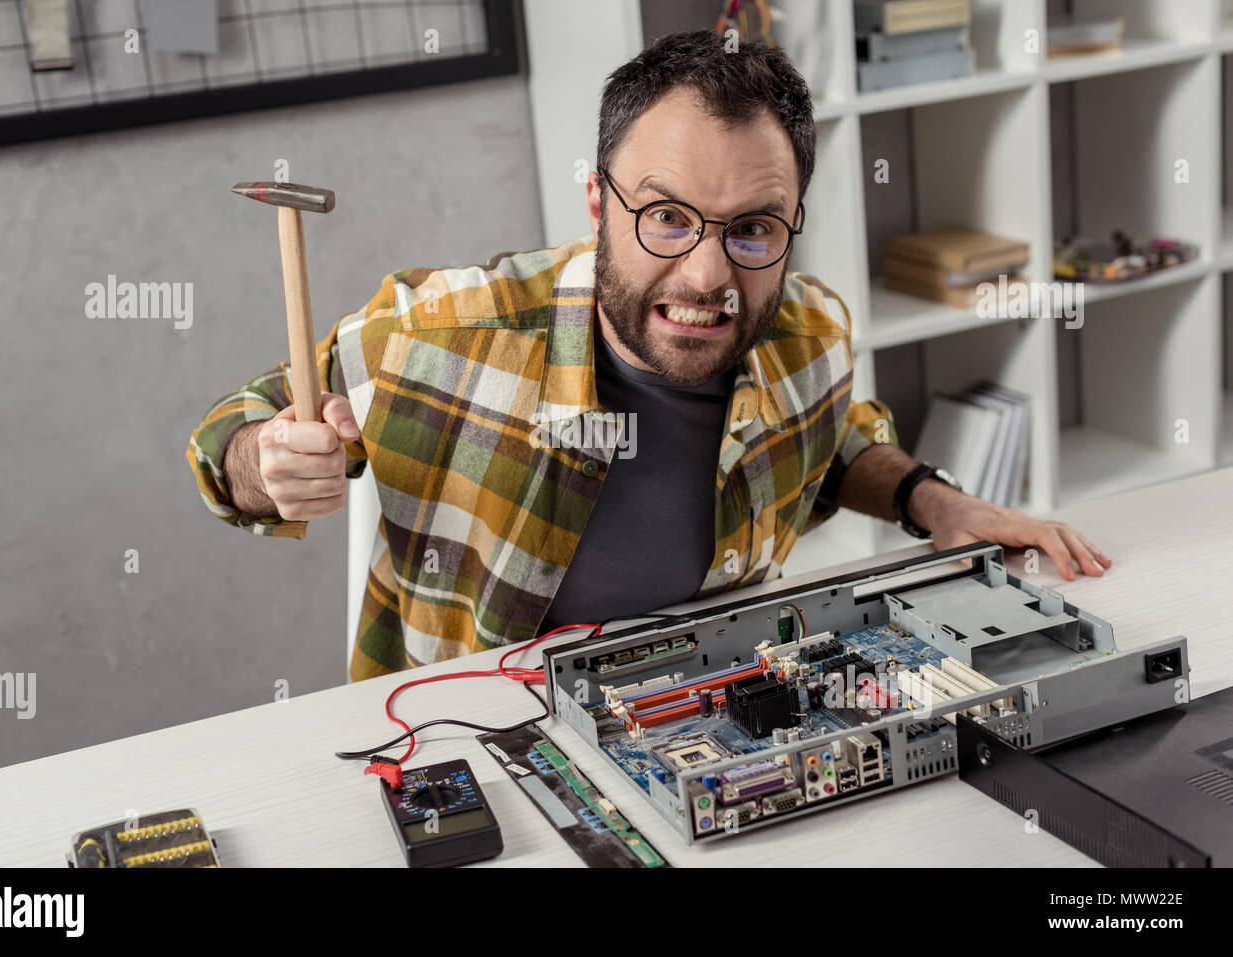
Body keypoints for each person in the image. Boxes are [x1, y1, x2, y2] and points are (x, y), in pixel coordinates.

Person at [186, 30, 1110, 680]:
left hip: (716, 717)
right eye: (666, 217)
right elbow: (234, 435)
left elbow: (831, 441)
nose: (708, 275)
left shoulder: (811, 333)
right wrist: (266, 463)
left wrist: (934, 501)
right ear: (596, 203)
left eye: (752, 229)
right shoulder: (444, 334)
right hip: (477, 744)